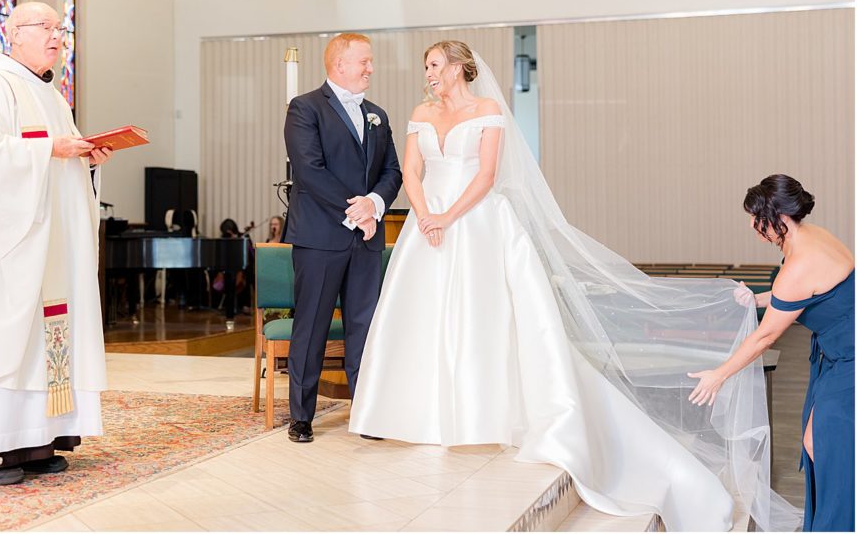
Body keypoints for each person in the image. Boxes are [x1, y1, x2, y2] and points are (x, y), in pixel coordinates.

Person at [349, 41, 799, 531]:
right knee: (421, 318)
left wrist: (448, 216)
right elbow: (411, 170)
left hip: (474, 223)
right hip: (427, 224)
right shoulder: (420, 112)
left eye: (435, 65)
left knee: (480, 319)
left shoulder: (488, 110)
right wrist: (425, 216)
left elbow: (485, 176)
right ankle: (422, 415)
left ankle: (483, 415)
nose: (429, 74)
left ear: (459, 68)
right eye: (426, 67)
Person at [0, 2, 111, 486]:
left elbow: (62, 158)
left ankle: (34, 442)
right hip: (11, 247)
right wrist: (50, 149)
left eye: (61, 28)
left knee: (43, 341)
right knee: (6, 338)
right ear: (13, 35)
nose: (57, 36)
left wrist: (87, 158)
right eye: (46, 28)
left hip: (49, 246)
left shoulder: (50, 93)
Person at [689, 175, 854, 532]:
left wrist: (719, 374)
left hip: (851, 359)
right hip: (839, 354)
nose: (752, 225)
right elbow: (807, 295)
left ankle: (837, 524)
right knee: (821, 443)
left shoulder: (799, 263)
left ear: (777, 215)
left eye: (756, 217)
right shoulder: (812, 236)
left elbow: (765, 337)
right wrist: (760, 299)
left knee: (828, 445)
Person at [282, 32, 402, 443]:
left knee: (364, 327)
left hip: (367, 238)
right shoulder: (305, 108)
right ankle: (301, 416)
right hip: (320, 237)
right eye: (364, 61)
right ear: (339, 64)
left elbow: (393, 173)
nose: (371, 68)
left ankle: (367, 413)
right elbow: (309, 170)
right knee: (311, 326)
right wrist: (356, 211)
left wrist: (375, 204)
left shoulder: (378, 115)